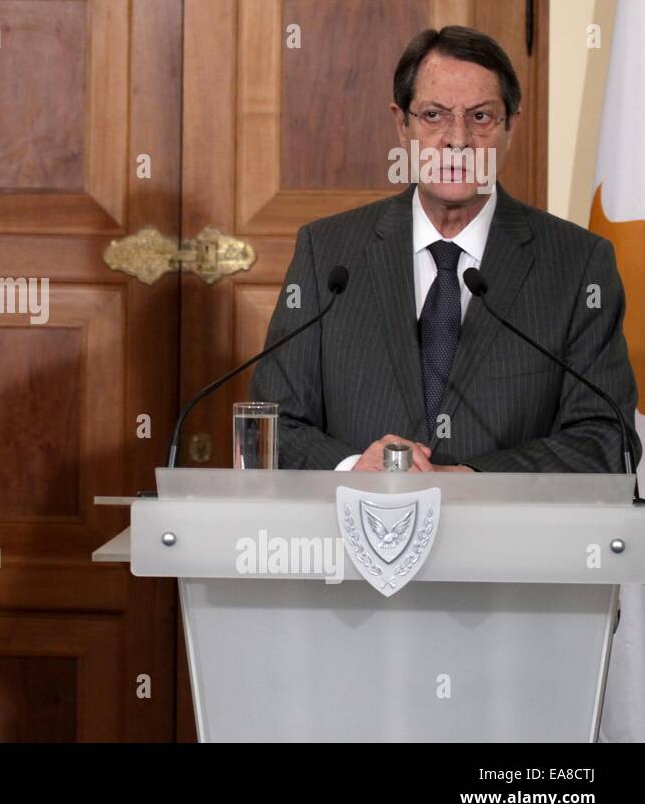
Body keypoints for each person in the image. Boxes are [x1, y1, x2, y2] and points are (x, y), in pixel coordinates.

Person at [250, 25, 640, 473]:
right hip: (350, 535)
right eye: (434, 115)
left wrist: (475, 480)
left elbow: (607, 440)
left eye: (480, 117)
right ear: (402, 124)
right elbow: (272, 425)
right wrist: (354, 466)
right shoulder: (327, 253)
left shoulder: (577, 264)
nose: (457, 140)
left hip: (508, 541)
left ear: (511, 124)